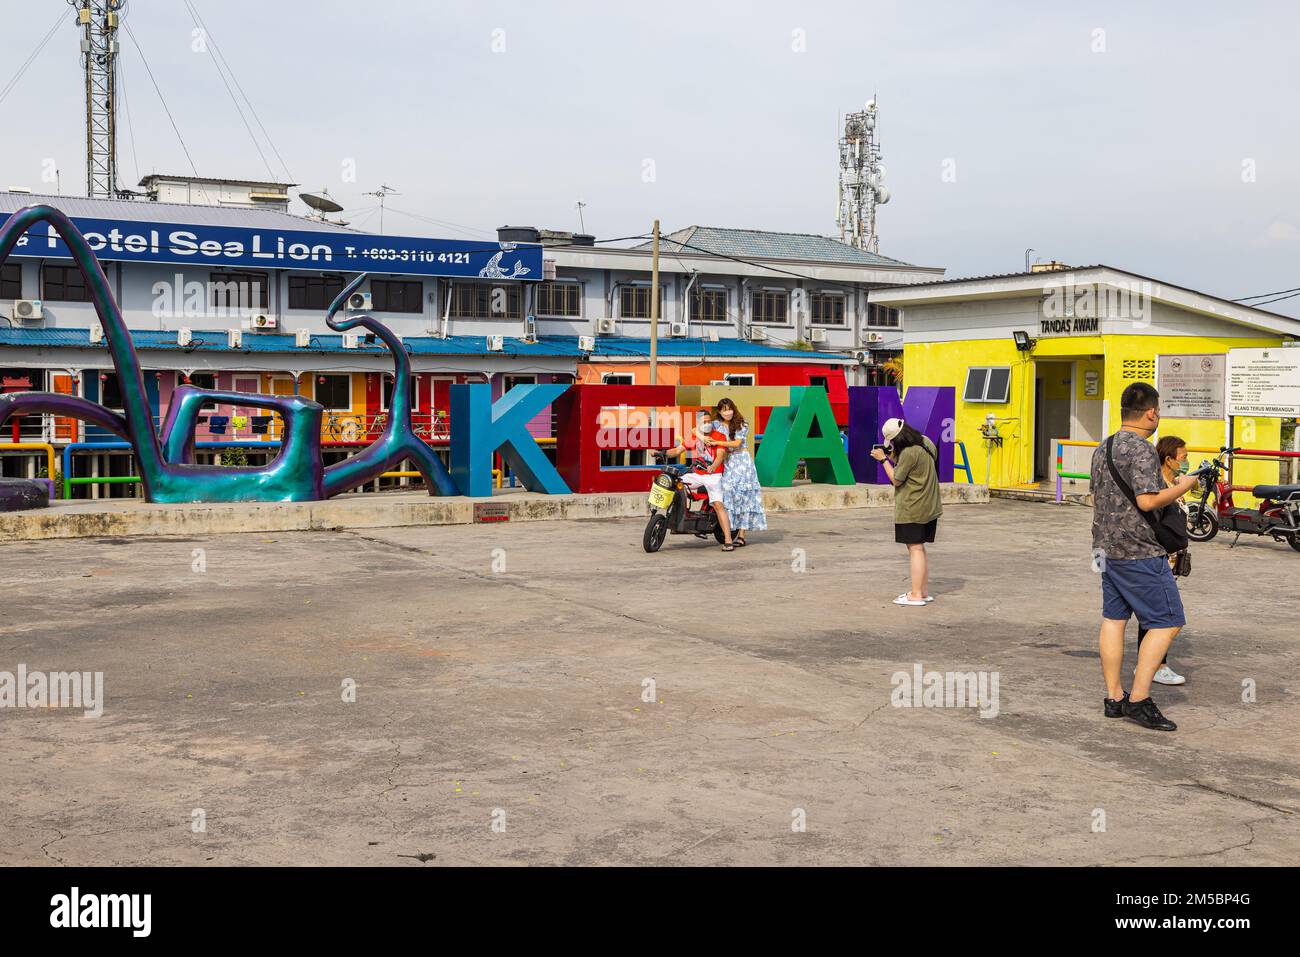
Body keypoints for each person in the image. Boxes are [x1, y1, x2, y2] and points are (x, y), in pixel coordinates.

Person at [1090, 383, 1203, 732]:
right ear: (1152, 412)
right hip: (1139, 551)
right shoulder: (1141, 450)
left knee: (1114, 619)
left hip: (1106, 548)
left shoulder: (1103, 446)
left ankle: (1113, 698)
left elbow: (1094, 499)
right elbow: (1147, 501)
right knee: (1168, 620)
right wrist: (1187, 484)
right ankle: (1138, 700)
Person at [1135, 435, 1194, 686]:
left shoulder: (1174, 482)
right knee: (1164, 618)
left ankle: (1154, 665)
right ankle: (1154, 666)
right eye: (1183, 457)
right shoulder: (1159, 487)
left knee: (1153, 616)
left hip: (1169, 561)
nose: (1187, 461)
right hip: (1155, 559)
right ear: (1169, 460)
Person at [871, 417, 942, 606]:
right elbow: (914, 466)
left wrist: (883, 459)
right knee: (920, 547)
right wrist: (893, 456)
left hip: (913, 506)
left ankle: (916, 594)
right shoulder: (925, 442)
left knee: (915, 548)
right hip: (930, 505)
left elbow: (897, 479)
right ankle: (922, 591)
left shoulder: (909, 452)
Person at [663, 407, 736, 551]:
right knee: (677, 484)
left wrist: (714, 466)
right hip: (697, 474)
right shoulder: (695, 437)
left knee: (718, 505)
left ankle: (728, 540)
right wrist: (663, 453)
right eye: (704, 422)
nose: (708, 423)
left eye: (709, 421)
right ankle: (684, 517)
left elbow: (721, 455)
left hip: (714, 475)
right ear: (698, 423)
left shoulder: (719, 436)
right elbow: (678, 450)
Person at [703, 396, 767, 545]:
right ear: (719, 412)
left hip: (742, 461)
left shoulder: (741, 424)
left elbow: (737, 443)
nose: (728, 413)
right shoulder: (716, 424)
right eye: (724, 410)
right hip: (728, 461)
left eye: (730, 409)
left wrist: (717, 442)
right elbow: (696, 428)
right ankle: (727, 530)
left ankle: (742, 535)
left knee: (744, 497)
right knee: (727, 492)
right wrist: (703, 437)